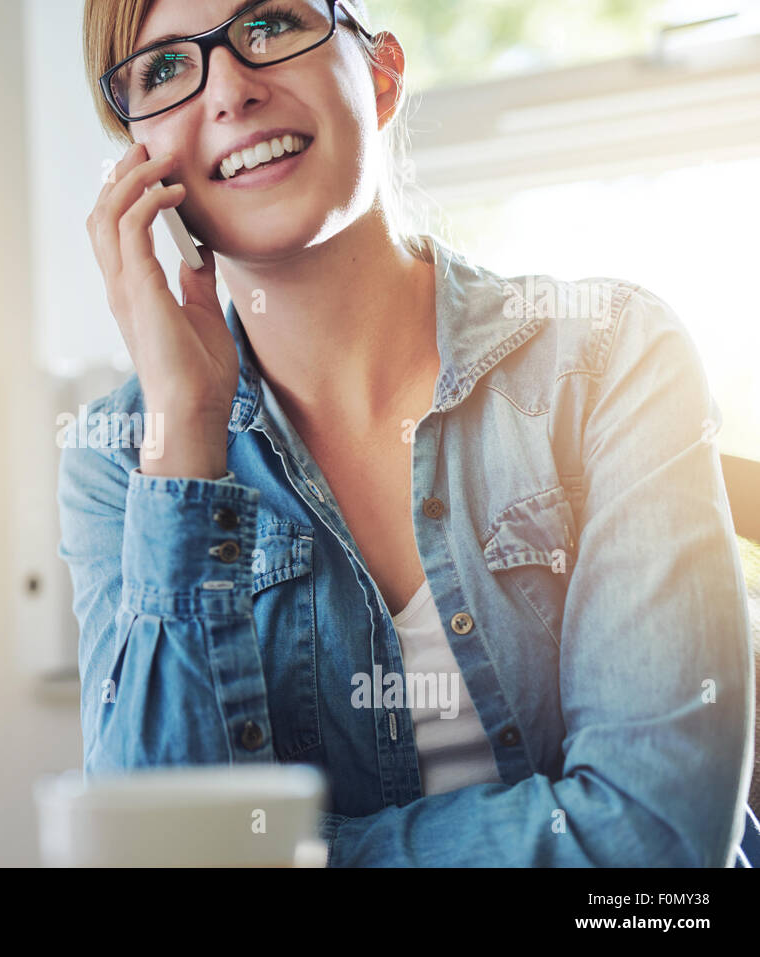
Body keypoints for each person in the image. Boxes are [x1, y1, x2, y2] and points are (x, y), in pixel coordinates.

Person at [58, 0, 755, 865]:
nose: (231, 89)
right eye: (163, 69)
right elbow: (153, 853)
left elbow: (655, 843)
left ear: (381, 75)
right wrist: (186, 434)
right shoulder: (122, 460)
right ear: (136, 162)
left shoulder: (612, 354)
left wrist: (288, 855)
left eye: (269, 24)